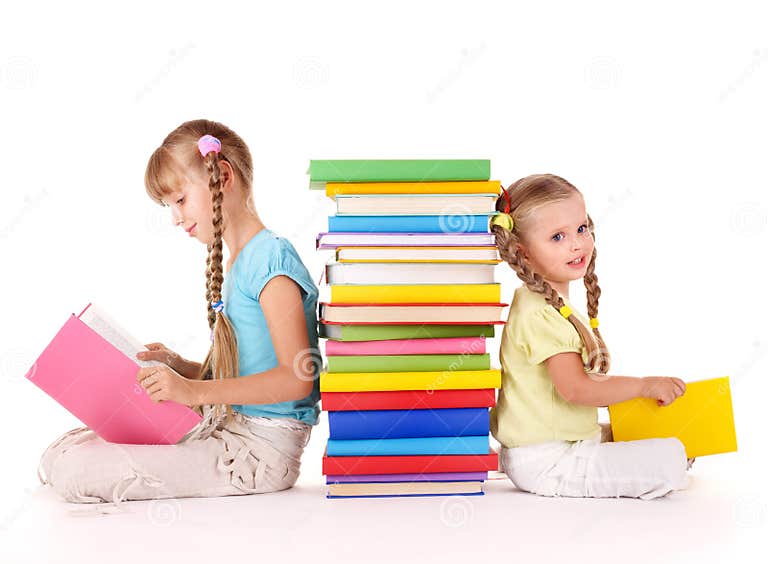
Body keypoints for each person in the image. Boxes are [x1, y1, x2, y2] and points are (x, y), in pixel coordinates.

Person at [38, 119, 320, 506]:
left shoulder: (271, 258)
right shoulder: (241, 261)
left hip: (260, 452)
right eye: (169, 205)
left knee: (76, 469)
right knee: (65, 450)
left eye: (180, 200)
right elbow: (247, 370)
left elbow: (297, 378)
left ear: (222, 177)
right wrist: (181, 367)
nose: (174, 218)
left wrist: (193, 391)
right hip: (231, 429)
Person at [489, 173, 693, 500]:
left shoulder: (546, 304)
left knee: (657, 434)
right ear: (523, 253)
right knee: (670, 457)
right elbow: (576, 389)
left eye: (581, 229)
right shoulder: (540, 314)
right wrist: (642, 386)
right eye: (557, 237)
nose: (577, 243)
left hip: (562, 442)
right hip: (547, 460)